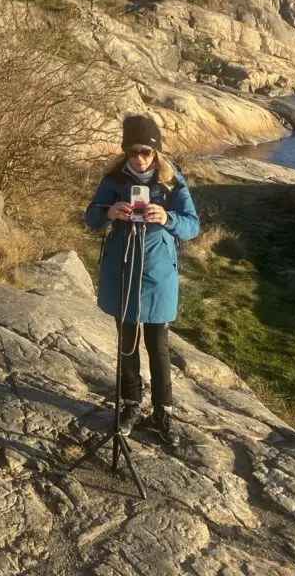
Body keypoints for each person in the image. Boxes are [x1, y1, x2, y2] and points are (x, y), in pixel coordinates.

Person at [85, 113, 200, 447]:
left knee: (158, 345)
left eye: (146, 152)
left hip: (157, 272)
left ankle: (163, 411)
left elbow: (192, 226)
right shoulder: (113, 180)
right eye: (133, 151)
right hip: (122, 270)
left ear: (156, 151)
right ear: (125, 152)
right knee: (127, 343)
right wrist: (108, 213)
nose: (139, 158)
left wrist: (167, 217)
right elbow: (91, 218)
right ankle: (131, 404)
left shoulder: (172, 182)